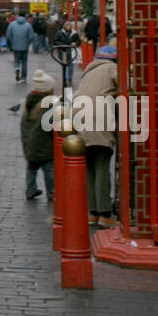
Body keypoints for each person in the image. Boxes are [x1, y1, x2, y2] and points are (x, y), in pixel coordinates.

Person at [75, 45, 118, 227]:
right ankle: (105, 213)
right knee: (102, 163)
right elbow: (130, 87)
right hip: (98, 117)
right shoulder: (111, 68)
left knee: (90, 165)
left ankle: (92, 212)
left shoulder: (89, 71)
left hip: (80, 116)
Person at [20, 70, 57, 200]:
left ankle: (30, 190)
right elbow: (49, 126)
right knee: (49, 170)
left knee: (31, 168)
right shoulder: (47, 105)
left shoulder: (29, 101)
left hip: (29, 143)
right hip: (44, 145)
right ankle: (51, 192)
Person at [6, 10, 33, 83]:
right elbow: (31, 37)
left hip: (15, 45)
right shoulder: (28, 25)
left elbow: (8, 35)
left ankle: (17, 68)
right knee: (24, 62)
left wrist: (11, 42)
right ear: (25, 16)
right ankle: (23, 77)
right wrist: (28, 43)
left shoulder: (12, 24)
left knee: (16, 60)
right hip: (24, 46)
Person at [54, 18, 79, 87]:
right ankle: (65, 78)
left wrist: (75, 43)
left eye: (70, 26)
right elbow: (55, 41)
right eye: (68, 26)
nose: (69, 27)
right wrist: (62, 45)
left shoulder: (74, 33)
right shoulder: (60, 33)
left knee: (71, 65)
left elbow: (78, 41)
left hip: (71, 51)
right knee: (64, 65)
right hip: (63, 51)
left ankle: (70, 78)